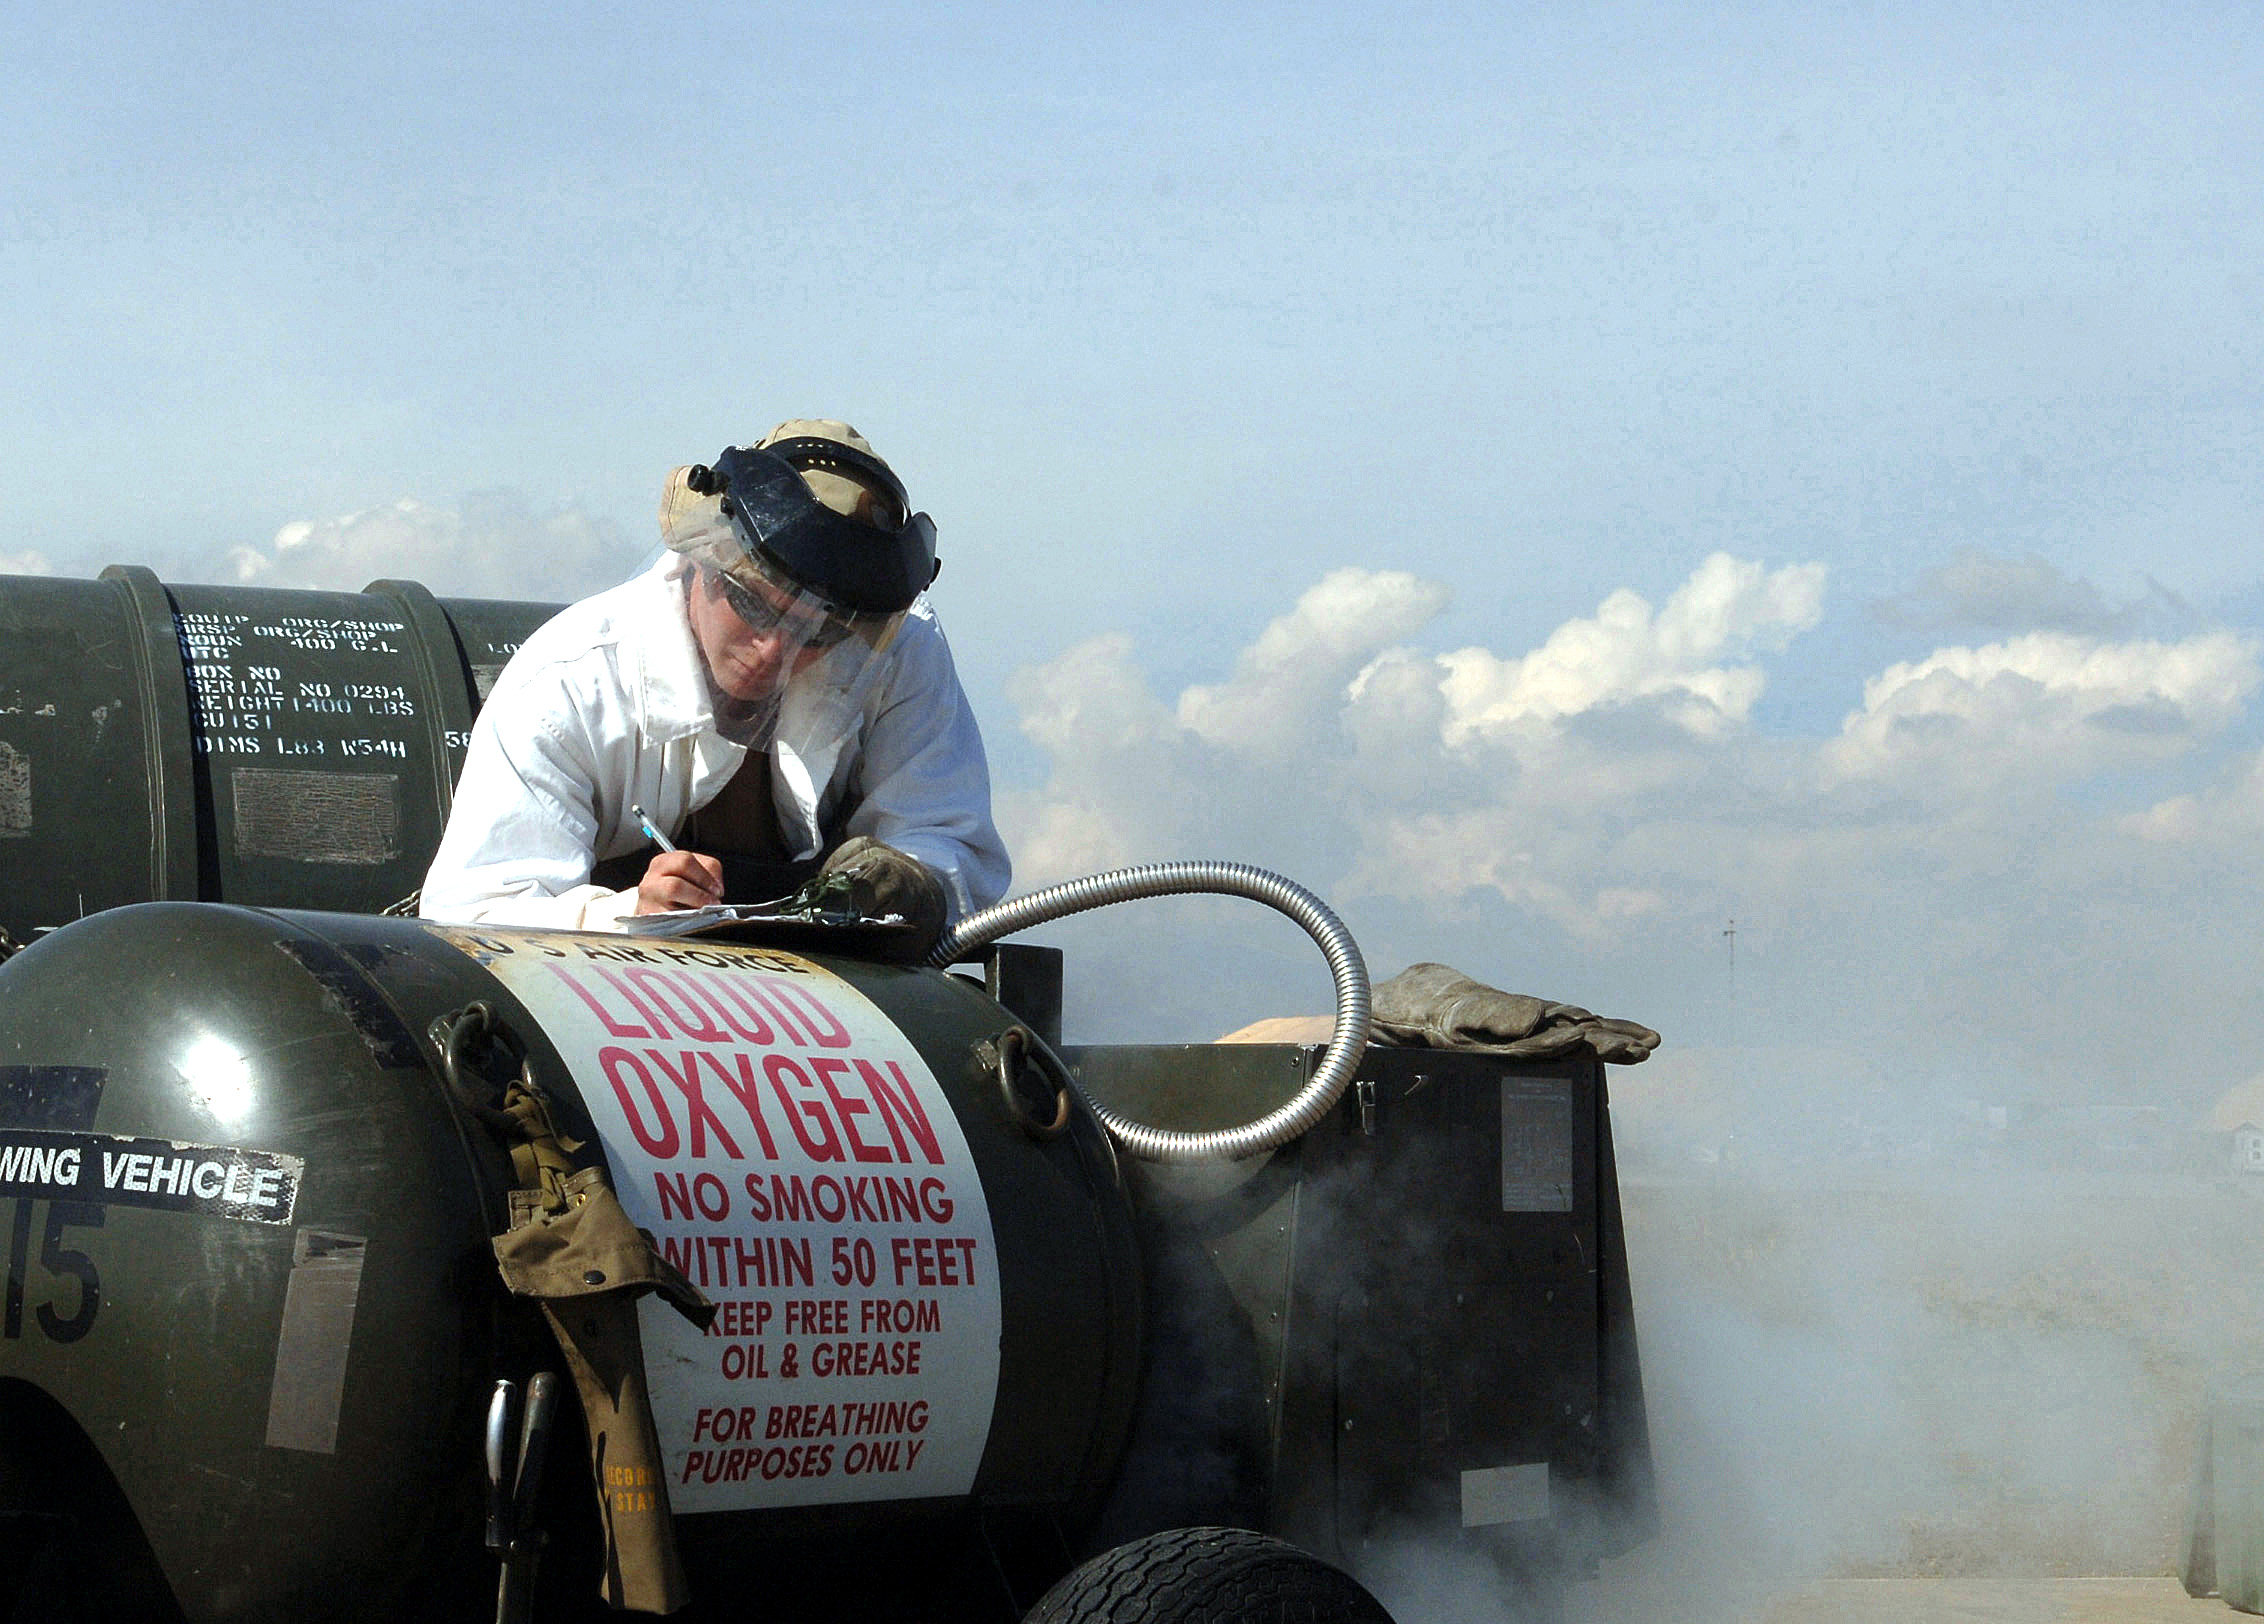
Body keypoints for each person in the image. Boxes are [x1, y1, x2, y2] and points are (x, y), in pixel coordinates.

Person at [419, 420, 1009, 951]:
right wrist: (628, 918)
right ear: (702, 553)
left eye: (820, 633)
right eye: (753, 603)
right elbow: (473, 921)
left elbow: (951, 843)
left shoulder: (896, 652)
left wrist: (913, 886)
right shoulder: (568, 684)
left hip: (828, 1008)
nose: (774, 650)